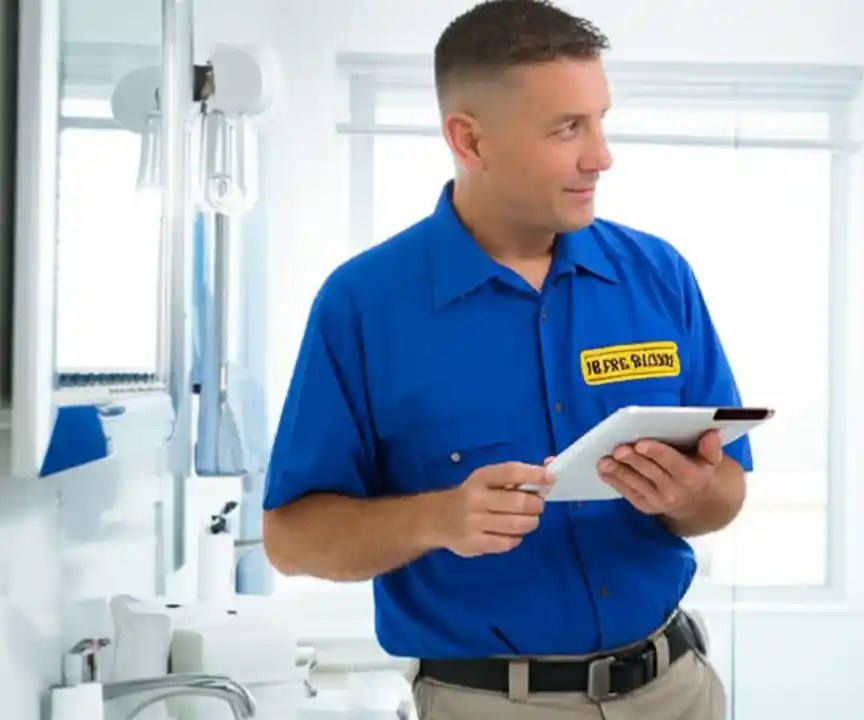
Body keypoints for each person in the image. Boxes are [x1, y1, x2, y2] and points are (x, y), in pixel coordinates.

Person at [261, 1, 751, 718]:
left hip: (677, 690)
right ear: (470, 140)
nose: (601, 155)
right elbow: (290, 538)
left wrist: (689, 496)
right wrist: (437, 520)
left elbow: (729, 492)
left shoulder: (658, 274)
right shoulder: (363, 305)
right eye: (567, 128)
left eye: (600, 119)